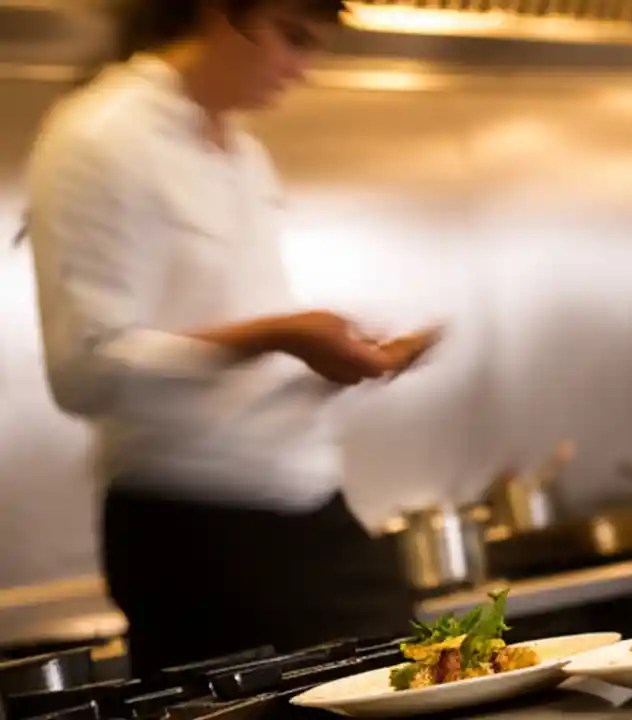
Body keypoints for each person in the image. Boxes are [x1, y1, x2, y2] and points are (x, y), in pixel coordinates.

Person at [24, 0, 440, 675]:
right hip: (195, 536)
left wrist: (332, 360)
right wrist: (279, 333)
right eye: (291, 38)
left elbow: (226, 364)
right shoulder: (100, 135)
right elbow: (83, 370)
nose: (301, 68)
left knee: (424, 680)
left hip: (307, 512)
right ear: (223, 14)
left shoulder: (241, 153)